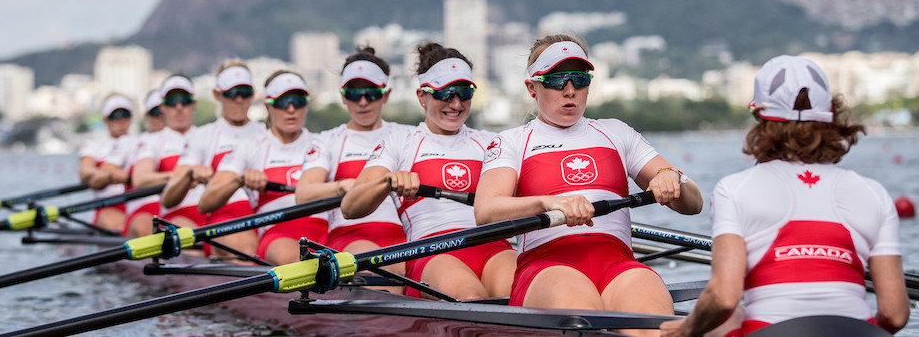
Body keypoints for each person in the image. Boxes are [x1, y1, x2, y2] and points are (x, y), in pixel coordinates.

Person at [659, 55, 910, 336]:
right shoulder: (873, 193)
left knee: (725, 320)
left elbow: (723, 298)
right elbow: (895, 314)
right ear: (831, 117)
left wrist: (684, 331)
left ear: (759, 119)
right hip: (859, 332)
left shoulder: (736, 188)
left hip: (772, 330)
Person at [474, 34, 703, 336]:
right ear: (532, 87)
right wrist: (549, 202)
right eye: (556, 80)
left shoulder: (616, 133)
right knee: (585, 319)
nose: (570, 90)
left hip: (617, 265)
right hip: (547, 267)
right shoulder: (512, 142)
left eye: (580, 79)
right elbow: (486, 212)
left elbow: (694, 204)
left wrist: (672, 179)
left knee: (657, 329)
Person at [341, 42, 516, 300]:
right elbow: (350, 207)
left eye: (463, 93)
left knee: (521, 297)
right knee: (470, 298)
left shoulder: (491, 142)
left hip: (494, 247)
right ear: (422, 96)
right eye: (445, 94)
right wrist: (387, 182)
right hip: (432, 252)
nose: (455, 104)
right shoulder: (400, 142)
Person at [295, 47, 410, 291]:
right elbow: (302, 195)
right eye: (354, 93)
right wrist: (342, 186)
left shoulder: (406, 136)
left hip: (404, 235)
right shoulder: (327, 140)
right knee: (383, 270)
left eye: (371, 93)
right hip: (350, 237)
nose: (363, 102)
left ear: (386, 94)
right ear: (343, 96)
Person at [198, 70, 326, 265]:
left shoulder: (324, 142)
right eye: (283, 103)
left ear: (306, 104)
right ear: (268, 105)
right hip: (279, 234)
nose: (291, 109)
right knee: (294, 259)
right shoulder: (250, 147)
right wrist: (239, 180)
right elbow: (205, 204)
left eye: (298, 102)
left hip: (326, 231)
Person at [162, 61, 265, 258]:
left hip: (264, 218)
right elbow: (168, 200)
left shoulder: (266, 133)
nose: (238, 100)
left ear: (253, 94)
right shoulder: (202, 136)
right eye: (231, 93)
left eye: (244, 92)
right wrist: (189, 175)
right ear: (217, 95)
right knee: (245, 248)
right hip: (221, 218)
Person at [131, 74, 205, 230]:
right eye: (172, 102)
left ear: (194, 104)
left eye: (184, 101)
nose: (179, 107)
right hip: (176, 215)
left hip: (212, 212)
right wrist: (181, 177)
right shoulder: (153, 141)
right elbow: (139, 179)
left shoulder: (208, 135)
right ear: (163, 107)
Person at [92, 89, 163, 236]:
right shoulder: (130, 143)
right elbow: (95, 179)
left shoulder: (192, 138)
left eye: (125, 115)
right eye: (156, 111)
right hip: (134, 211)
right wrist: (111, 175)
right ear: (147, 116)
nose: (162, 115)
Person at [79, 93, 134, 233]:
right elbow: (85, 172)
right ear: (105, 120)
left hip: (136, 204)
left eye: (125, 115)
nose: (121, 120)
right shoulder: (95, 145)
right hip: (108, 206)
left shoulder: (141, 143)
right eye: (115, 116)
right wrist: (108, 175)